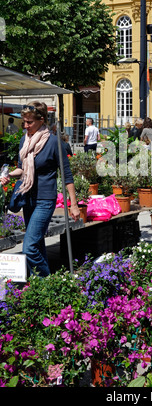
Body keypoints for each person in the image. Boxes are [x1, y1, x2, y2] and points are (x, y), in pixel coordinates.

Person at [0, 101, 80, 278]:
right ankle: (40, 286)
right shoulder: (24, 141)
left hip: (45, 200)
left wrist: (73, 204)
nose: (25, 126)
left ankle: (46, 280)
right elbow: (22, 168)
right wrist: (9, 176)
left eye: (29, 122)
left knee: (29, 246)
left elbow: (67, 175)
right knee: (37, 243)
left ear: (41, 120)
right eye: (24, 122)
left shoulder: (53, 143)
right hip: (28, 198)